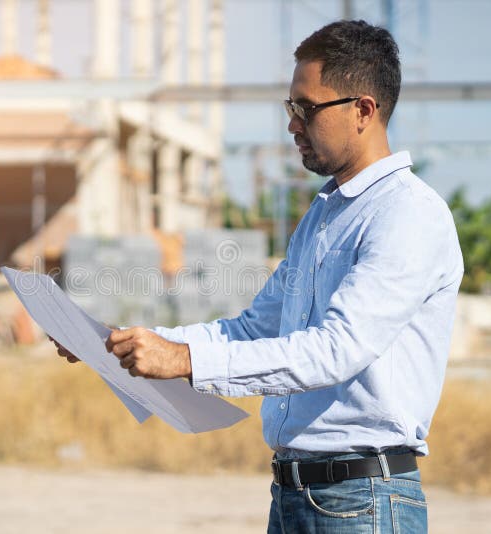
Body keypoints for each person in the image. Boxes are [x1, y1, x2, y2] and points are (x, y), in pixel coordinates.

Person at [53, 19, 463, 534]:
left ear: (363, 110)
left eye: (306, 108)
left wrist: (183, 360)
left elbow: (336, 349)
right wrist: (122, 344)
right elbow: (253, 330)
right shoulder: (323, 217)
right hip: (297, 496)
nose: (292, 124)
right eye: (290, 107)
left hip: (362, 502)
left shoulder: (407, 214)